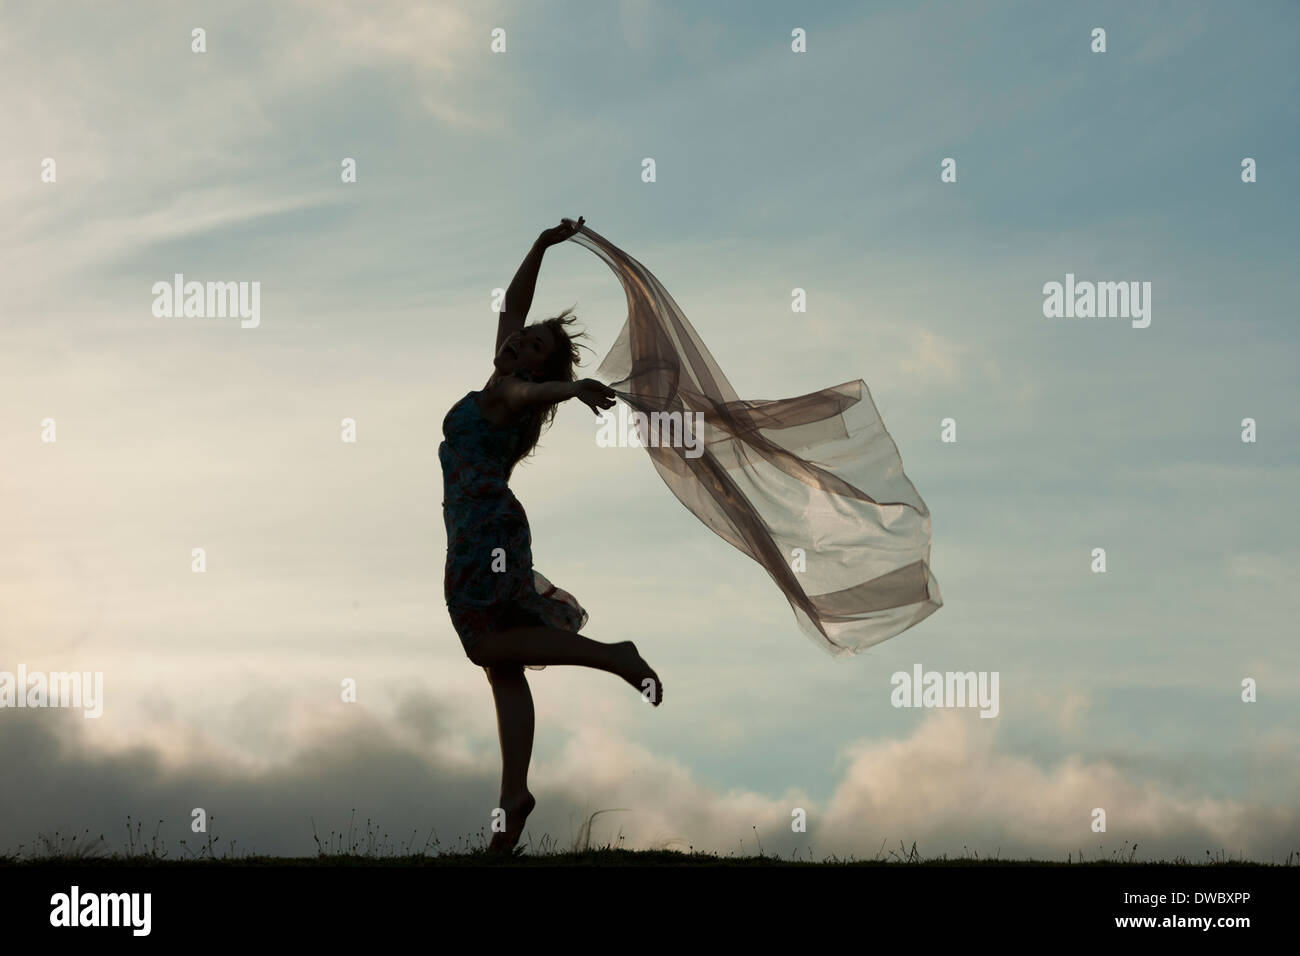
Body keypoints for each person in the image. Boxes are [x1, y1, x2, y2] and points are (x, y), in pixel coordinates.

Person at [438, 216, 663, 854]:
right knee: (501, 661)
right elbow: (514, 306)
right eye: (522, 340)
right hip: (477, 530)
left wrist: (571, 386)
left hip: (486, 532)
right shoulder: (503, 373)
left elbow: (545, 388)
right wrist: (539, 246)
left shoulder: (513, 392)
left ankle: (612, 655)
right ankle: (513, 795)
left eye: (531, 346)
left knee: (487, 646)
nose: (518, 344)